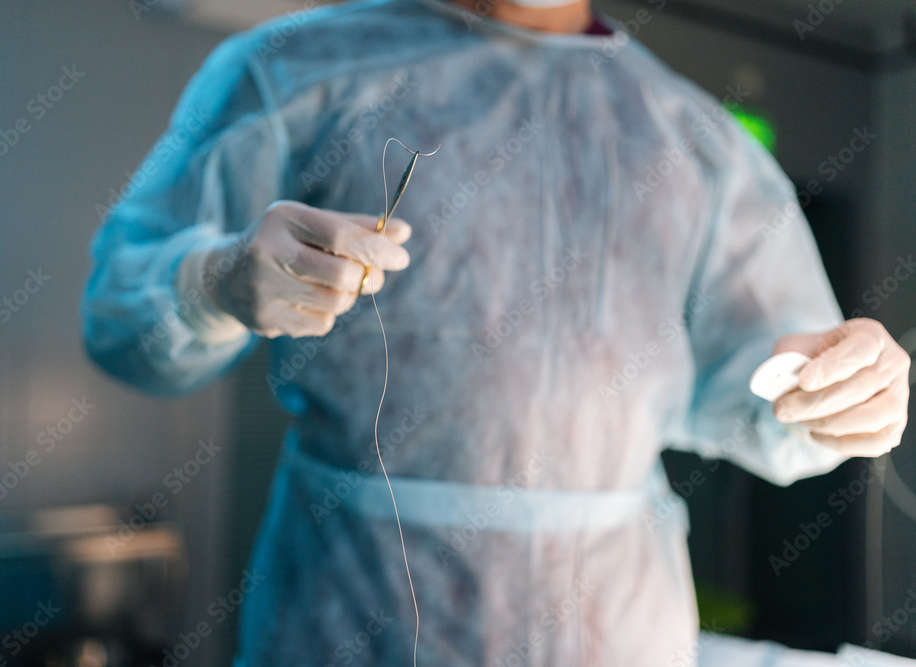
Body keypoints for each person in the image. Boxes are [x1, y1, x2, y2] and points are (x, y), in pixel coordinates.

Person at [80, 0, 911, 664]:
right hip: (349, 616)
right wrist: (211, 280)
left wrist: (843, 396)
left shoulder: (700, 143)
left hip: (617, 628)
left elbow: (778, 395)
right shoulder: (286, 70)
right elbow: (119, 321)